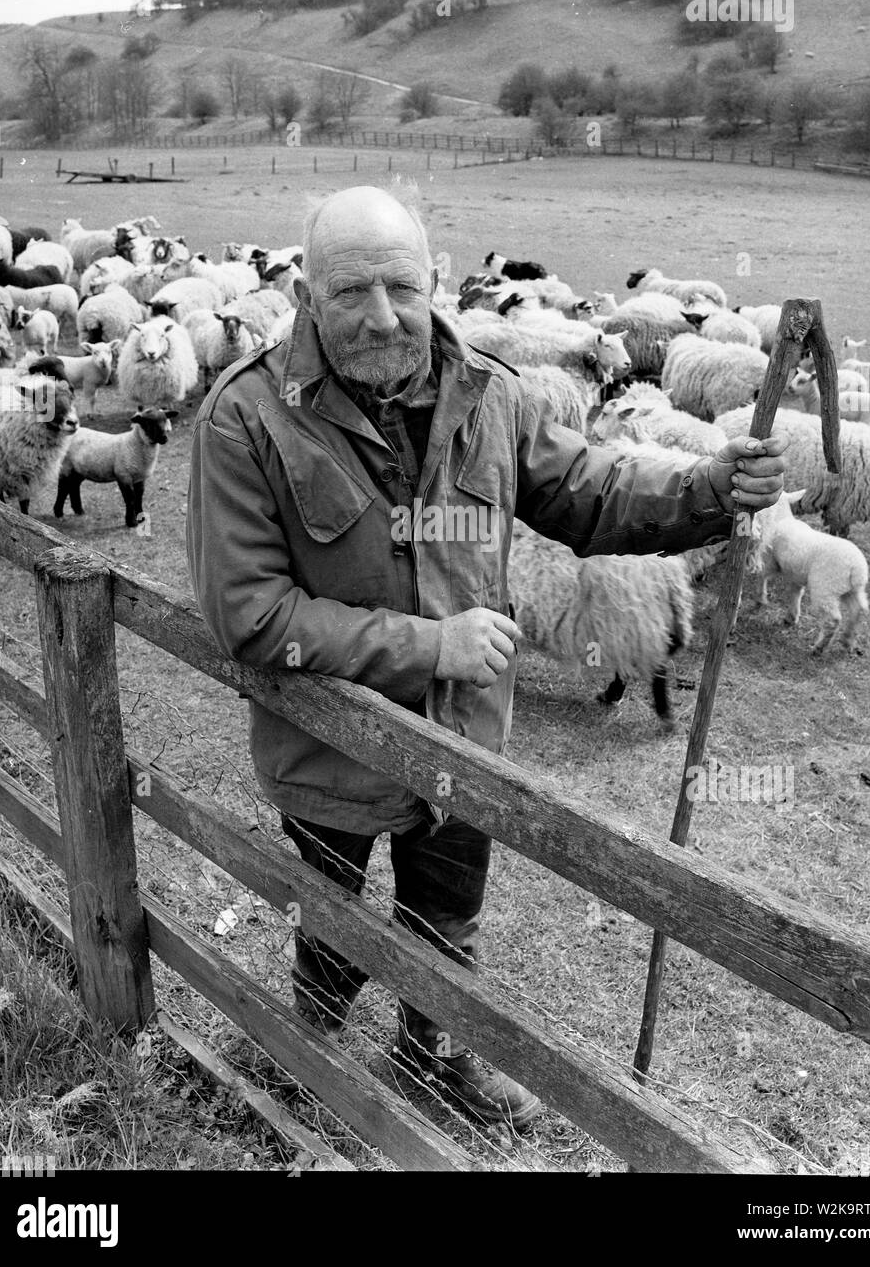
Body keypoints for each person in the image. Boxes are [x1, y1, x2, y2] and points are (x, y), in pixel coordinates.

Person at [186, 184, 786, 1133]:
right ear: (305, 293)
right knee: (331, 920)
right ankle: (303, 1046)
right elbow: (245, 614)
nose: (381, 315)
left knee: (447, 918)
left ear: (432, 278)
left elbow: (591, 492)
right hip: (330, 749)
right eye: (350, 293)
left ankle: (434, 1054)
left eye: (400, 285)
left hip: (464, 746)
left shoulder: (487, 394)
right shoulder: (248, 417)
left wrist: (710, 486)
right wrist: (432, 645)